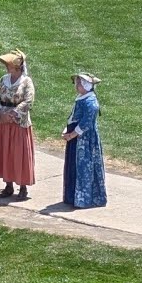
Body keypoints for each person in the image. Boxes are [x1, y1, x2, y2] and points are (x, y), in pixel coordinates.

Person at [0, 50, 37, 200]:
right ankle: (8, 185)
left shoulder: (26, 81)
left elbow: (28, 101)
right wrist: (1, 112)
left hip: (18, 124)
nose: (6, 67)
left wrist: (13, 114)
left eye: (9, 65)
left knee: (18, 154)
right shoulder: (3, 79)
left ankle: (22, 187)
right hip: (3, 123)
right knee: (5, 152)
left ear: (16, 66)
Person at [62, 73, 107, 209]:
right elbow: (73, 117)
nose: (77, 86)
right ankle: (72, 197)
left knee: (84, 168)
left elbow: (86, 124)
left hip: (85, 141)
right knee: (73, 167)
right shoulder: (81, 98)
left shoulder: (91, 103)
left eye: (79, 83)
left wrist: (72, 135)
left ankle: (86, 199)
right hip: (75, 139)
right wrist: (66, 130)